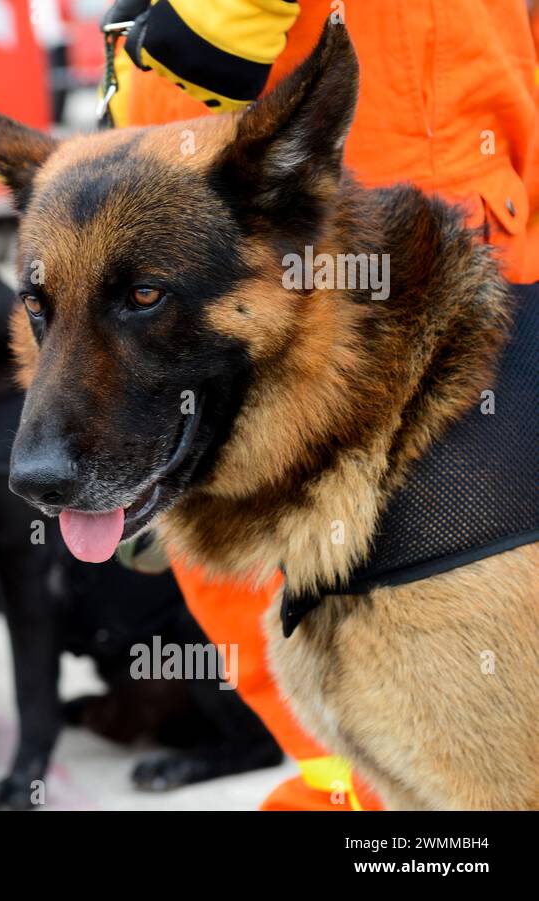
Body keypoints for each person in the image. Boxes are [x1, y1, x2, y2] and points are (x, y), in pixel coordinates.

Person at [104, 0, 539, 810]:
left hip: (370, 163)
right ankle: (344, 795)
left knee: (416, 613)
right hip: (200, 133)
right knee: (236, 553)